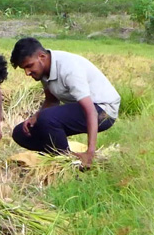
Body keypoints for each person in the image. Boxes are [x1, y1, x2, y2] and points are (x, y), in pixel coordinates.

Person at [9, 38, 120, 168]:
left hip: (103, 111)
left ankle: (69, 164)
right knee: (21, 133)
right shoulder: (44, 69)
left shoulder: (69, 69)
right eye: (24, 68)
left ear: (42, 57)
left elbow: (91, 111)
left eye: (29, 66)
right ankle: (66, 156)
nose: (27, 73)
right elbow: (51, 101)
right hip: (84, 109)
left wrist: (90, 151)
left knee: (47, 118)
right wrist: (35, 117)